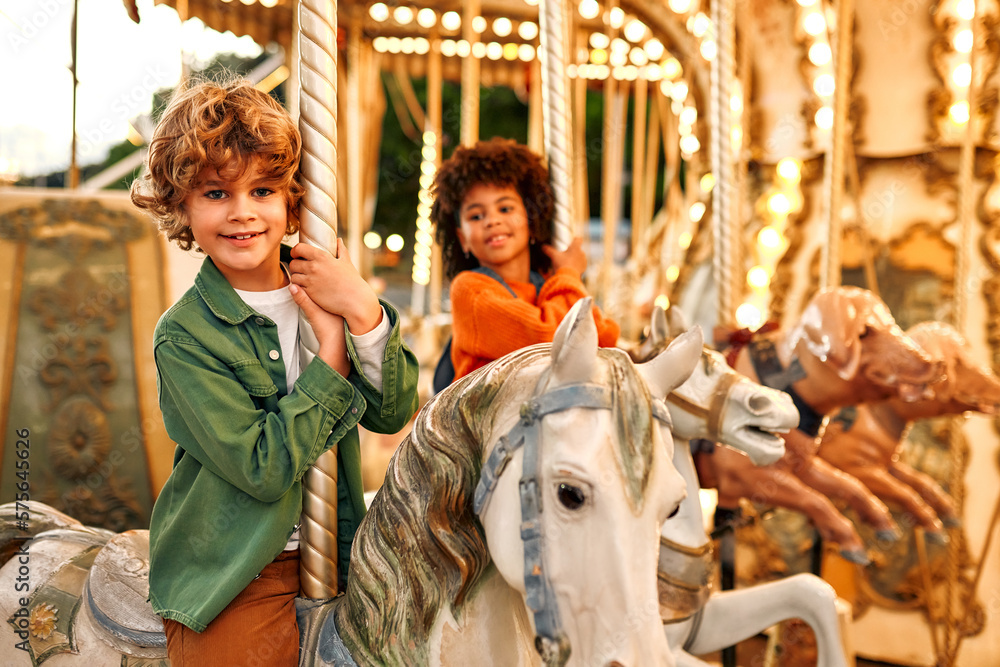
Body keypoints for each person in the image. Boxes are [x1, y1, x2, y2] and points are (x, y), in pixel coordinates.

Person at [130, 78, 420, 666]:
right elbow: (263, 469)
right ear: (182, 205)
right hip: (237, 567)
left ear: (293, 202)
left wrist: (362, 308)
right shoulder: (185, 336)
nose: (242, 212)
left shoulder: (329, 288)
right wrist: (331, 356)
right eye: (216, 193)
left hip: (347, 547)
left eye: (262, 190)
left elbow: (392, 412)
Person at [431, 137, 619, 381]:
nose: (492, 221)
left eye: (505, 209)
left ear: (530, 219)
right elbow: (548, 343)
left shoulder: (550, 284)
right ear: (462, 238)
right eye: (476, 216)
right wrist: (569, 275)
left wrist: (565, 280)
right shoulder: (471, 291)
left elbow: (605, 338)